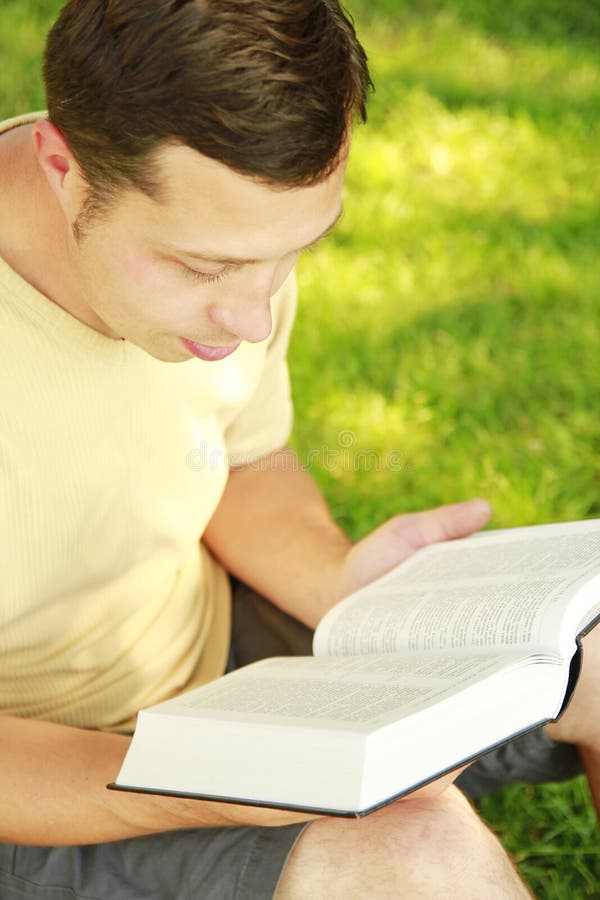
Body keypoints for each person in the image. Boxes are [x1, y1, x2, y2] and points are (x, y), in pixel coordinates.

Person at [0, 2, 597, 897]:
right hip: (53, 784)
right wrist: (202, 791)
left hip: (223, 657)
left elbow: (237, 459)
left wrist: (337, 584)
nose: (249, 316)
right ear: (64, 167)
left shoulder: (236, 229)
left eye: (294, 252)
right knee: (422, 854)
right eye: (200, 269)